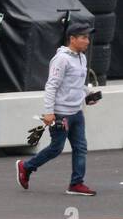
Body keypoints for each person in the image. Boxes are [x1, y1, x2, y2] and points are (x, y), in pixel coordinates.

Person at [17, 22, 99, 196]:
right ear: (73, 39)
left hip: (77, 112)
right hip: (61, 114)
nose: (87, 41)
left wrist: (88, 94)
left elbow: (77, 84)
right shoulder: (61, 59)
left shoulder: (81, 58)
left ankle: (76, 184)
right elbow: (51, 86)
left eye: (88, 37)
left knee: (81, 148)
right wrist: (49, 111)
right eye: (84, 37)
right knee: (56, 148)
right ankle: (26, 167)